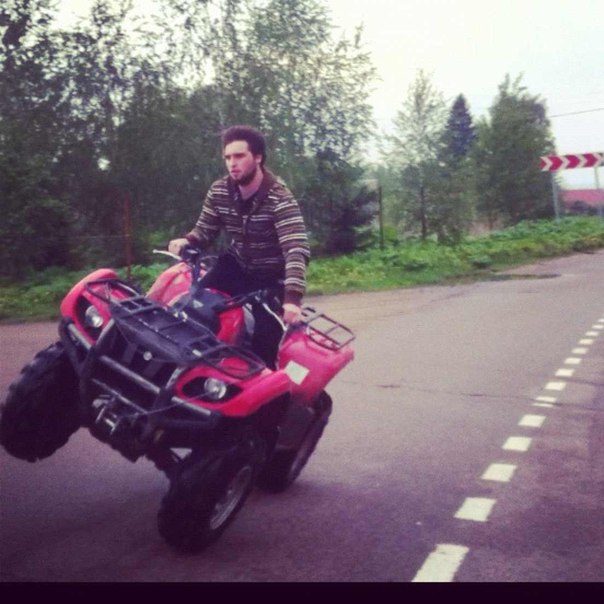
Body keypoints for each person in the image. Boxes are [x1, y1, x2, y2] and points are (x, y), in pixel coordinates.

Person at [168, 125, 310, 366]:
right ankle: (184, 370)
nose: (232, 163)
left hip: (270, 278)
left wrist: (292, 299)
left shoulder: (280, 199)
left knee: (265, 344)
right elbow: (205, 229)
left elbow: (296, 249)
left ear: (258, 157)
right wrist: (188, 240)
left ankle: (258, 382)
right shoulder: (219, 190)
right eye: (228, 157)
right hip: (236, 266)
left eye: (239, 156)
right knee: (193, 309)